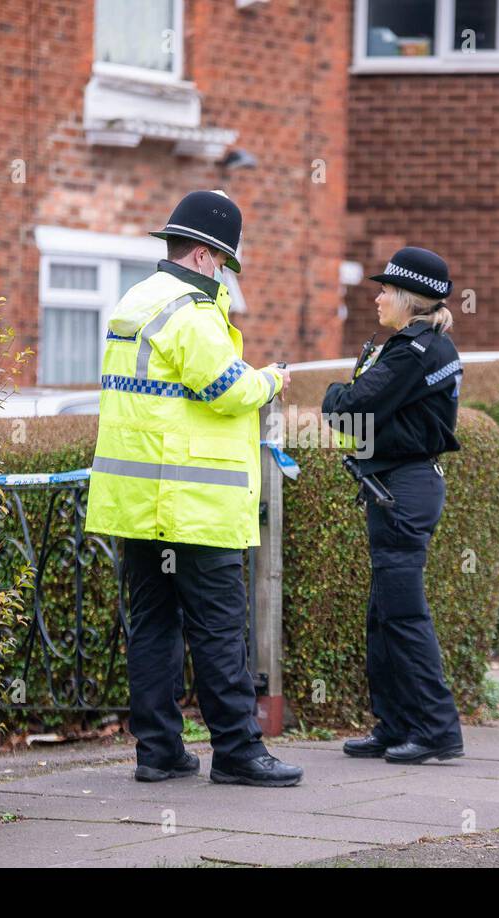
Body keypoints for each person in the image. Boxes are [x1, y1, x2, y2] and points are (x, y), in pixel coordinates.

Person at [84, 189, 303, 787]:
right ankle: (238, 752)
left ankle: (158, 752)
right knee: (219, 632)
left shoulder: (136, 300)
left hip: (139, 505)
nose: (226, 279)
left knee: (153, 628)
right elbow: (227, 389)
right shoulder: (192, 311)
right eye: (226, 266)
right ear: (207, 255)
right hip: (196, 509)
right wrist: (272, 378)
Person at [322, 246, 466, 764]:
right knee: (383, 613)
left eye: (386, 290)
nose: (378, 298)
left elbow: (350, 407)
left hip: (402, 489)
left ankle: (437, 730)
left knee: (403, 614)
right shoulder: (424, 347)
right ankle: (395, 723)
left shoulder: (414, 350)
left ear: (408, 298)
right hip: (398, 486)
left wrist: (336, 394)